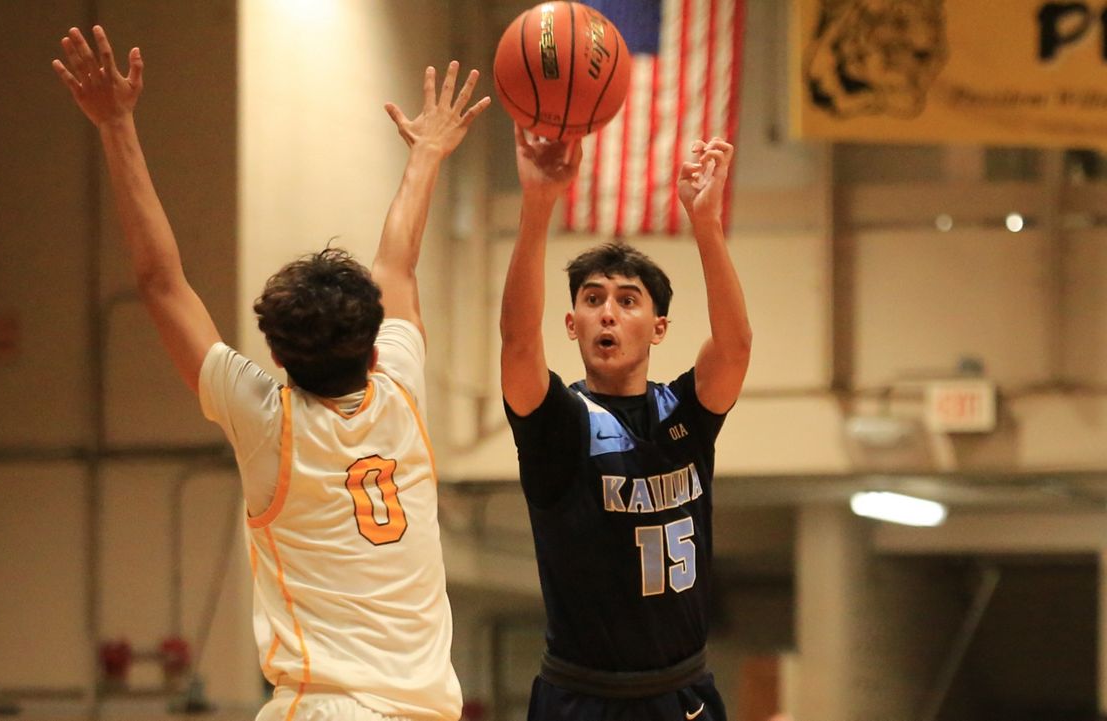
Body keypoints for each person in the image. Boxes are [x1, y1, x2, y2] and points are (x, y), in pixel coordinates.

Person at [52, 26, 489, 721]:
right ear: (376, 348)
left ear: (278, 358)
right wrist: (427, 154)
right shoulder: (401, 388)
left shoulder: (268, 419)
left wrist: (116, 125)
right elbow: (399, 264)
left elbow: (162, 284)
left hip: (326, 708)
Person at [499, 124, 751, 721]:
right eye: (592, 299)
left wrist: (706, 224)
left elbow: (736, 346)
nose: (607, 312)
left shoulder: (685, 415)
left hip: (681, 694)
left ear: (658, 327)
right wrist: (538, 205)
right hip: (583, 698)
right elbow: (515, 344)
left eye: (627, 300)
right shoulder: (560, 423)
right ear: (572, 324)